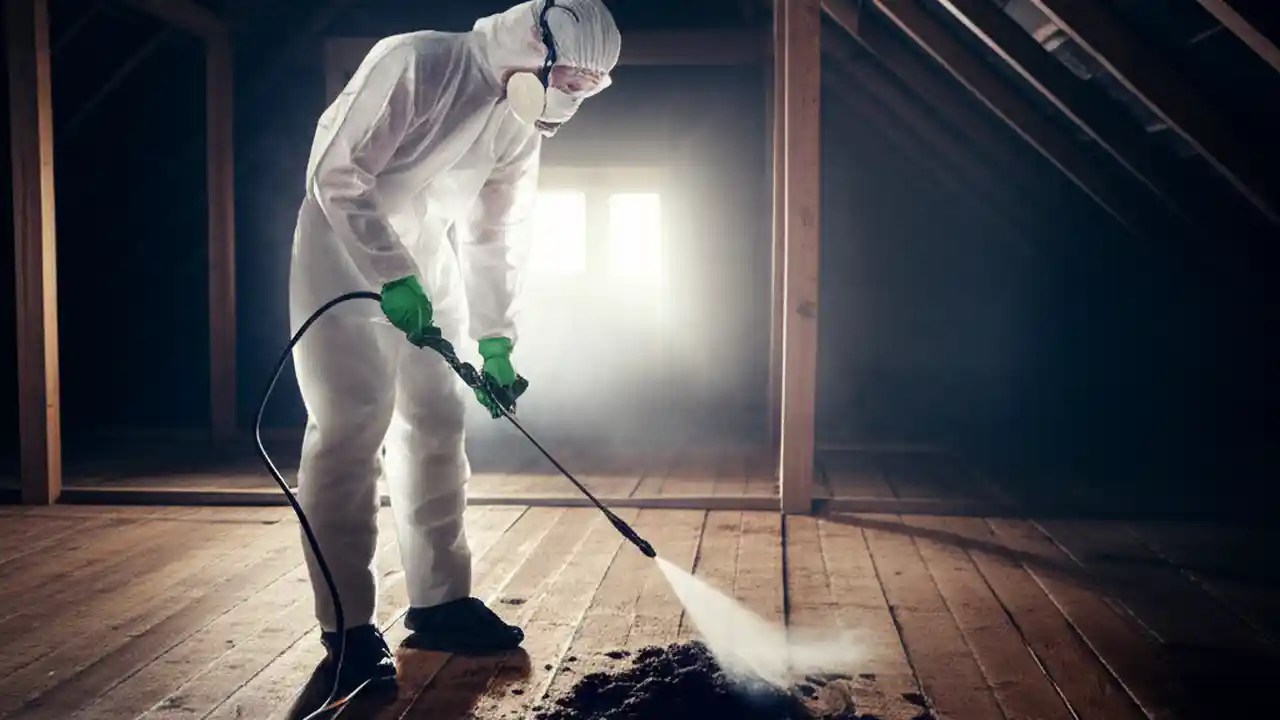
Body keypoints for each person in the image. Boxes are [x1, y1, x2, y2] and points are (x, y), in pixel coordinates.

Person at [288, 0, 620, 690]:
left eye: (581, 93)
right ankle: (346, 632)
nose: (565, 99)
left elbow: (496, 232)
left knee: (437, 421)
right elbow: (336, 176)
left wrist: (497, 339)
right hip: (341, 246)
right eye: (565, 83)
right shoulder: (417, 62)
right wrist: (390, 274)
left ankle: (440, 603)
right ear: (535, 44)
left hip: (425, 258)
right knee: (350, 429)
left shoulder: (520, 120)